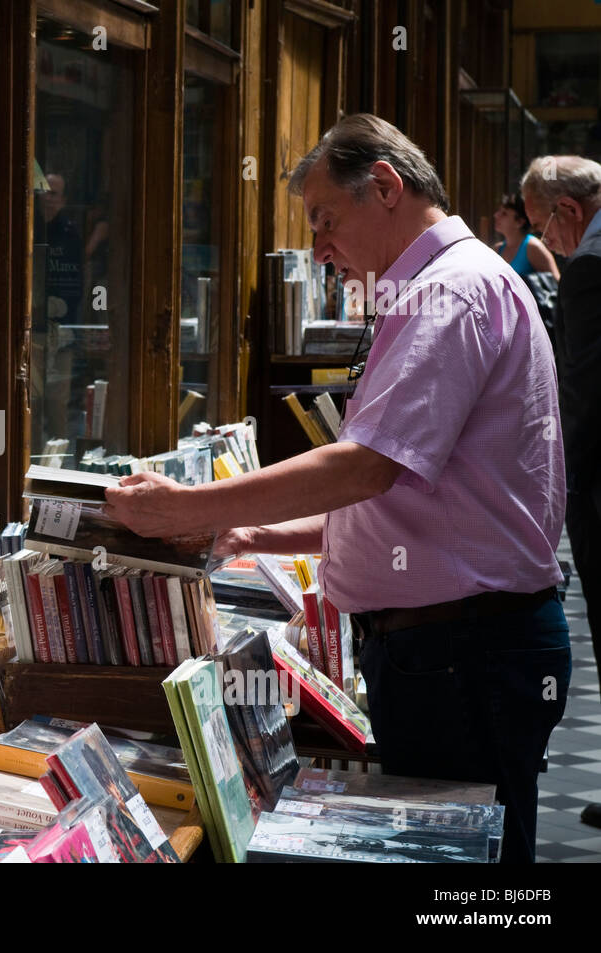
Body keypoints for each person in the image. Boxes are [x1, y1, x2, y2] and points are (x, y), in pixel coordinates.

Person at [105, 114, 569, 863]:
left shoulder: (446, 294)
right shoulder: (442, 286)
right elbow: (412, 503)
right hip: (458, 645)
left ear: (384, 186)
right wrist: (257, 534)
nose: (320, 249)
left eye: (325, 219)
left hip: (461, 650)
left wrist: (181, 507)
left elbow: (365, 466)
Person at [521, 155, 601, 830]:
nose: (544, 238)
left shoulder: (589, 273)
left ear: (567, 212)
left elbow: (584, 401)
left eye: (542, 224)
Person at [493, 192, 559, 281]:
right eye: (499, 211)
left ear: (519, 222)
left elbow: (555, 281)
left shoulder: (533, 247)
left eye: (504, 213)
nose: (496, 215)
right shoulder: (497, 249)